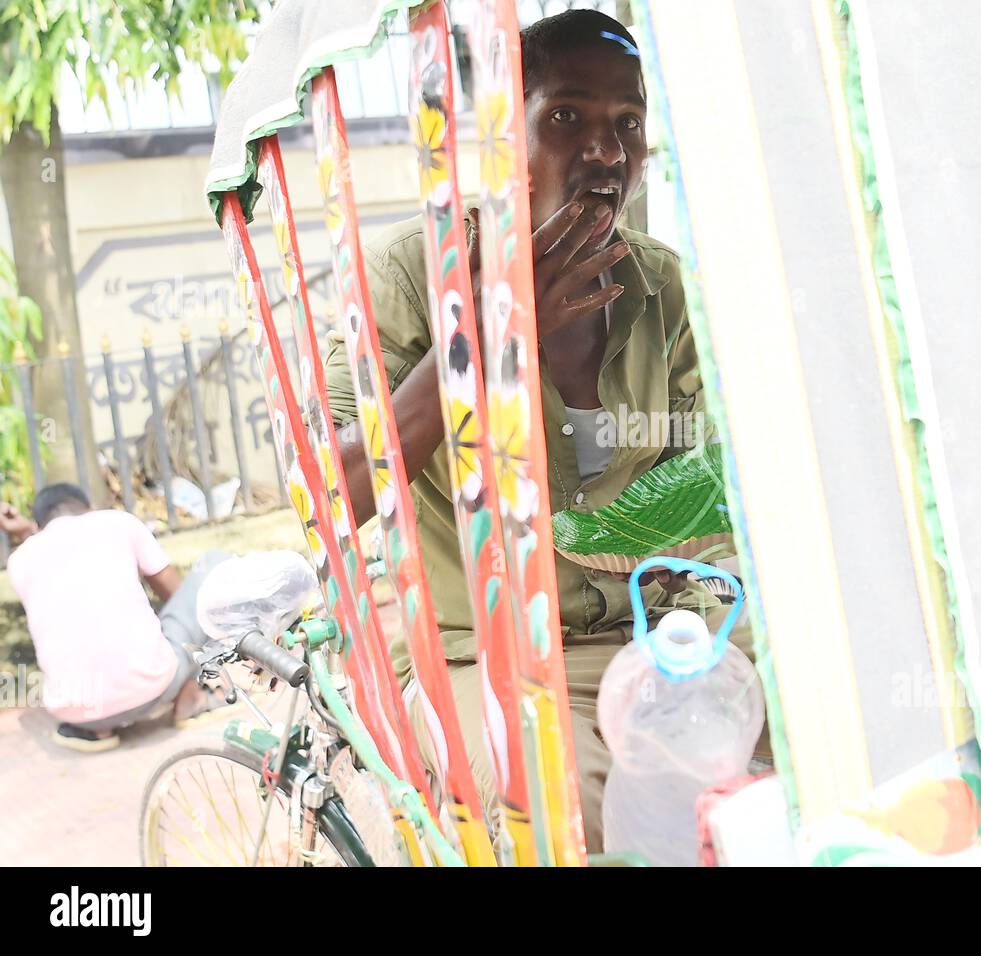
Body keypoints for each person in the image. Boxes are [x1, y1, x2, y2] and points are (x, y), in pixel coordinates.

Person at [324, 10, 753, 851]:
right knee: (587, 818)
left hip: (648, 638)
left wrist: (699, 629)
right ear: (500, 138)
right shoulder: (411, 277)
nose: (605, 151)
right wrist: (480, 335)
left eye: (626, 123)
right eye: (567, 118)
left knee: (787, 767)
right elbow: (338, 493)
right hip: (479, 659)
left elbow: (711, 485)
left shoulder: (660, 285)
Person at [1, 484, 230, 752]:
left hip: (76, 712)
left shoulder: (20, 560)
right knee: (215, 564)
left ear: (40, 523)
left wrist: (29, 531)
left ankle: (97, 733)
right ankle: (191, 698)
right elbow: (177, 595)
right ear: (89, 508)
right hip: (153, 690)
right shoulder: (118, 522)